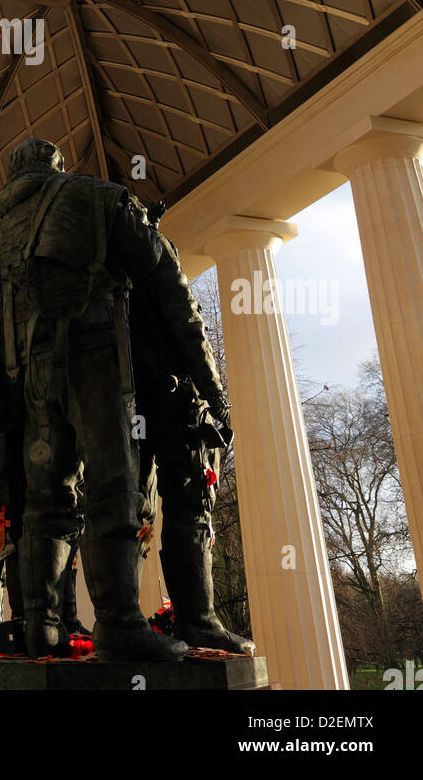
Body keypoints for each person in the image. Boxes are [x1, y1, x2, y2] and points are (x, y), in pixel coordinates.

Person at [0, 138, 198, 662]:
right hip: (93, 360)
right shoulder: (95, 194)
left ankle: (41, 625)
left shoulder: (6, 224)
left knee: (46, 498)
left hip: (31, 375)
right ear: (57, 164)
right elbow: (153, 259)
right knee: (112, 485)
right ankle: (120, 625)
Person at [132, 215, 255, 655]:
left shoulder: (102, 266)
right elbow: (189, 326)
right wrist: (217, 397)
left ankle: (127, 624)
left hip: (126, 406)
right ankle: (197, 620)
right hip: (176, 402)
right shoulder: (155, 249)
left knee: (134, 513)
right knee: (191, 505)